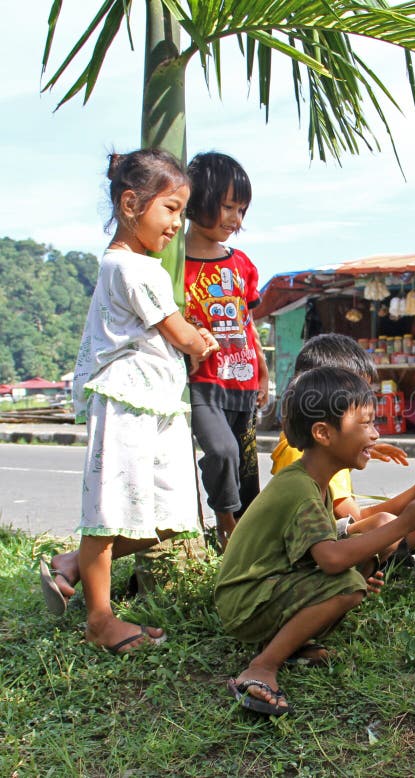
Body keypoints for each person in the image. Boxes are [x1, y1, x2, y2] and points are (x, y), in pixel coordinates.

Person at [38, 149, 219, 652]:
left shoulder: (132, 268)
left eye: (181, 211)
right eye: (171, 209)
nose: (177, 225)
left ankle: (73, 563)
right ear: (130, 204)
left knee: (166, 517)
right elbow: (180, 334)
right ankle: (100, 620)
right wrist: (201, 341)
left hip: (151, 406)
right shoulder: (132, 269)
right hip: (126, 405)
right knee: (111, 509)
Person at [216, 367, 415, 716]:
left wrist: (364, 448)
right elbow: (332, 561)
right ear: (323, 433)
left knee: (362, 560)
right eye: (365, 424)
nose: (375, 433)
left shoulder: (312, 479)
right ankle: (262, 665)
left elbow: (335, 545)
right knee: (347, 583)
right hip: (245, 600)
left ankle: (290, 644)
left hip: (261, 590)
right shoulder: (301, 489)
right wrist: (404, 525)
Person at [271, 333, 415, 557]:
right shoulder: (312, 456)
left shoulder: (311, 445)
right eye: (362, 417)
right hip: (316, 551)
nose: (376, 434)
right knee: (385, 523)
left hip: (321, 542)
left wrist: (359, 445)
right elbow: (354, 522)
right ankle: (382, 566)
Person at [183, 152, 270, 550]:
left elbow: (246, 324)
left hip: (244, 379)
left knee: (247, 467)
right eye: (228, 207)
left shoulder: (243, 264)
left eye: (242, 210)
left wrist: (264, 369)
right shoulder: (172, 264)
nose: (236, 219)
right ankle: (225, 522)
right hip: (203, 382)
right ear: (198, 200)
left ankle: (245, 543)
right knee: (220, 452)